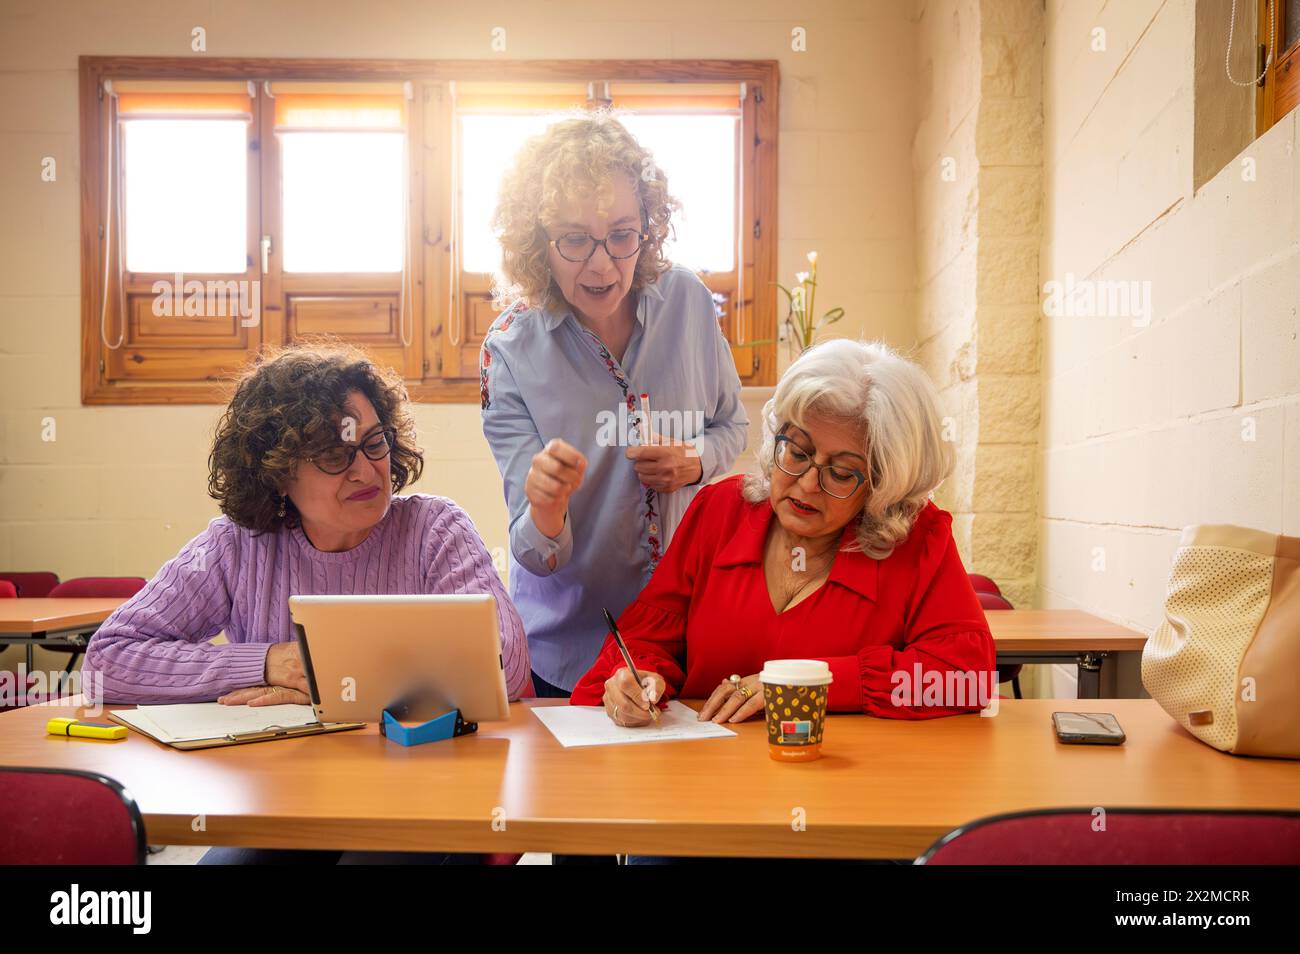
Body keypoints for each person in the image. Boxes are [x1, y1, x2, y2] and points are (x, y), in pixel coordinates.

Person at [83, 341, 530, 865]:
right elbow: (107, 659)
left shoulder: (434, 528)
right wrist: (270, 662)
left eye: (374, 443)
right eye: (334, 456)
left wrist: (332, 679)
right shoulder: (237, 544)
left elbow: (507, 663)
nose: (365, 471)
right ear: (276, 472)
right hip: (284, 801)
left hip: (425, 799)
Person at [570, 338, 997, 731]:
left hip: (848, 787)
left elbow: (967, 678)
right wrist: (637, 677)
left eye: (843, 472)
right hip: (706, 780)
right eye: (796, 451)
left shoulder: (917, 541)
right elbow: (647, 640)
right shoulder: (719, 511)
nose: (808, 484)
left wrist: (807, 684)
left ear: (883, 484)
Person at [480, 110, 748, 698]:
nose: (602, 264)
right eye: (574, 239)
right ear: (536, 241)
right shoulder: (509, 349)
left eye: (622, 235)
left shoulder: (690, 303)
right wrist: (547, 508)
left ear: (647, 228)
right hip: (569, 653)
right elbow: (530, 551)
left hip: (684, 641)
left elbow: (733, 425)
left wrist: (695, 460)